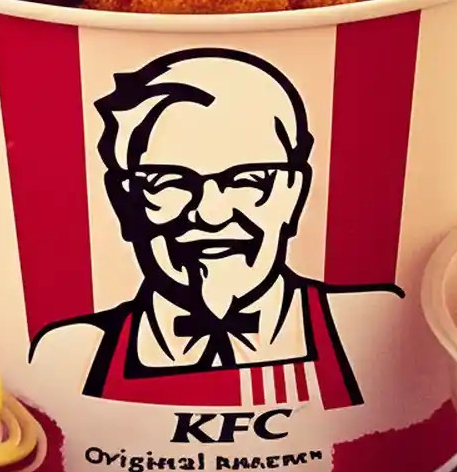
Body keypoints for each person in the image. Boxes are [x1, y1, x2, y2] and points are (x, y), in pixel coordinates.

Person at [29, 48, 402, 409]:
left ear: (294, 193)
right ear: (125, 202)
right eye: (168, 182)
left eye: (249, 179)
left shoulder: (369, 324)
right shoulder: (74, 350)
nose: (211, 214)